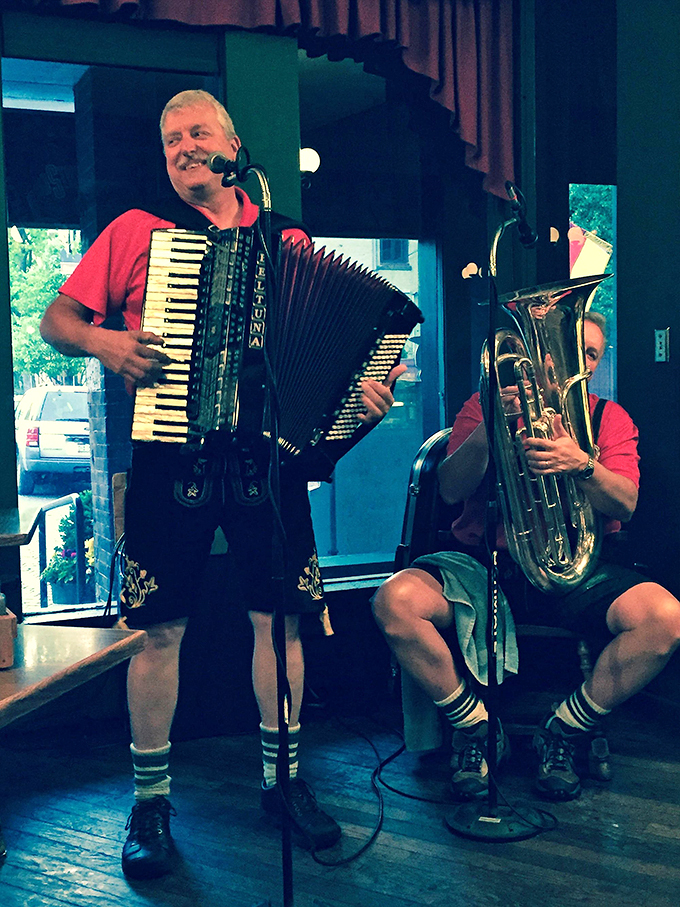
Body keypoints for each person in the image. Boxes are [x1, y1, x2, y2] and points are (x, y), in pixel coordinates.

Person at [40, 89, 405, 879]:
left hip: (266, 460)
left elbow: (328, 354)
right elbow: (56, 320)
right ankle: (150, 802)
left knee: (281, 623)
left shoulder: (287, 238)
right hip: (170, 457)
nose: (182, 146)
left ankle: (284, 782)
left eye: (196, 132)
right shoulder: (136, 231)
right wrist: (106, 343)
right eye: (170, 138)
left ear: (233, 148)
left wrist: (359, 401)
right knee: (156, 629)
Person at [373, 312, 680, 802]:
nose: (577, 361)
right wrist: (490, 428)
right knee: (393, 602)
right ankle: (474, 726)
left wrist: (581, 464)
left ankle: (564, 728)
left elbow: (625, 503)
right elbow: (450, 489)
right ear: (539, 353)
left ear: (595, 365)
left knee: (666, 619)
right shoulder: (485, 404)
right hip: (483, 563)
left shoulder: (609, 417)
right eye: (568, 347)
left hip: (576, 566)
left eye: (590, 353)